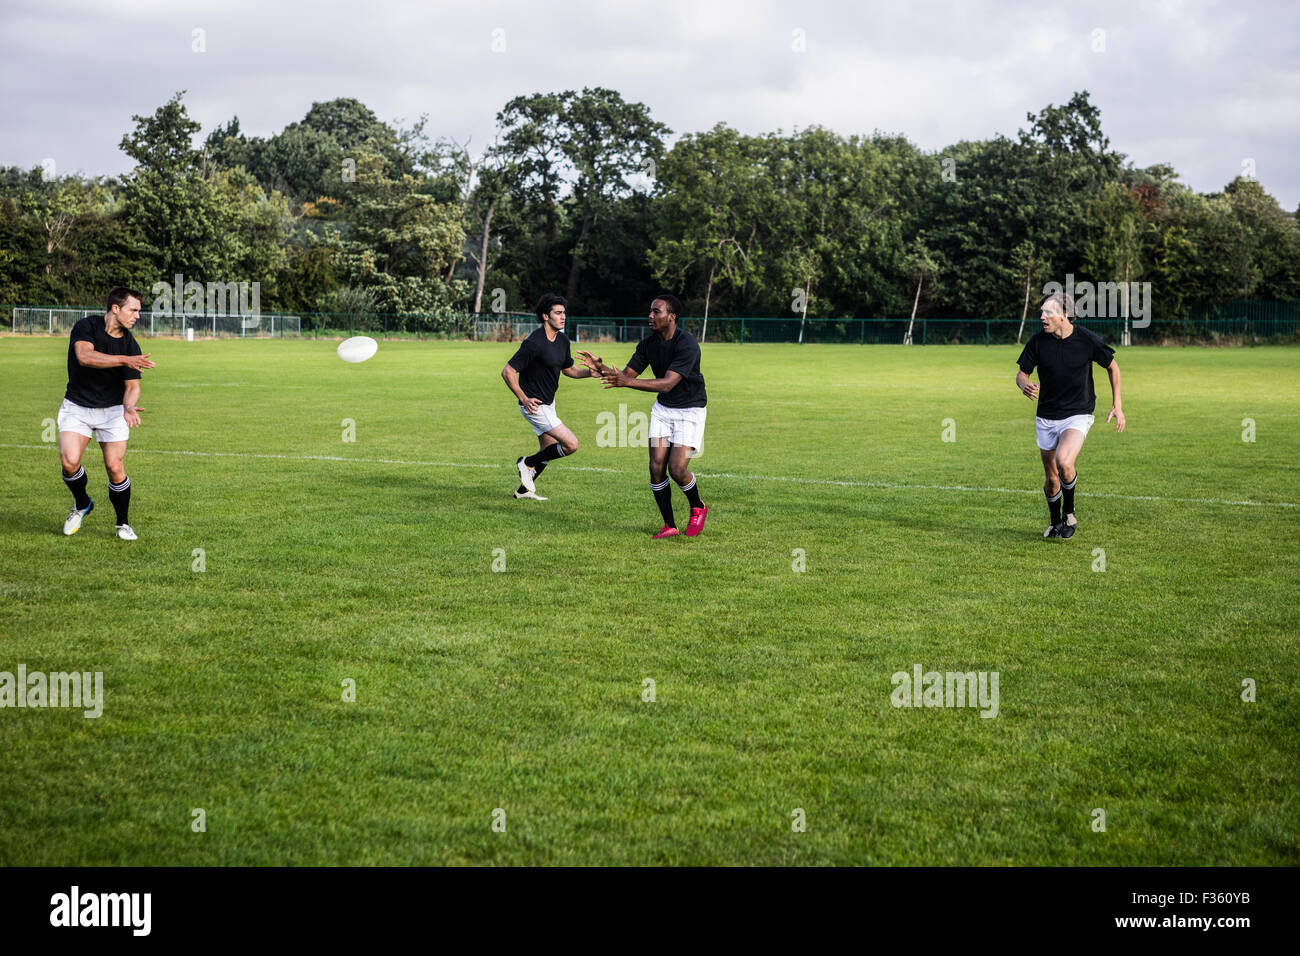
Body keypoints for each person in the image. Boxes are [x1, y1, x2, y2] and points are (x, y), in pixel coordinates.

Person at [584, 294, 708, 538]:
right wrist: (601, 368)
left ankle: (698, 506)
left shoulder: (687, 344)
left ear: (672, 317)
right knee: (656, 467)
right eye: (650, 311)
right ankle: (670, 525)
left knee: (677, 469)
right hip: (663, 410)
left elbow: (668, 383)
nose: (650, 316)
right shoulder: (648, 344)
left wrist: (626, 381)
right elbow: (626, 373)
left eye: (656, 312)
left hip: (690, 410)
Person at [1016, 291, 1125, 539]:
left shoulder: (1085, 339)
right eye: (1042, 312)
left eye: (1048, 312)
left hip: (1078, 413)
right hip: (1046, 416)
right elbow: (1022, 373)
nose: (1042, 317)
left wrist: (1117, 405)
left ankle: (1070, 512)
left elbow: (1112, 366)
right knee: (1051, 478)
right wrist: (1024, 385)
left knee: (1064, 462)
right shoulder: (1037, 342)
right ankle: (1055, 523)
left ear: (1064, 314)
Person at [57, 286, 155, 539]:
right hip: (77, 406)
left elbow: (133, 386)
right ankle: (82, 504)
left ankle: (122, 523)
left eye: (138, 311)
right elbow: (84, 356)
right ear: (115, 308)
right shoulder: (86, 326)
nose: (137, 316)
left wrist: (129, 405)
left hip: (113, 410)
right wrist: (124, 360)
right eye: (133, 310)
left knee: (114, 467)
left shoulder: (130, 344)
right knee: (69, 462)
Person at [501, 293, 598, 500]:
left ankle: (524, 491)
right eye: (558, 313)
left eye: (564, 313)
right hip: (535, 405)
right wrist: (524, 398)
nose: (563, 317)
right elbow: (508, 371)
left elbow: (569, 369)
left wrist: (590, 372)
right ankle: (526, 463)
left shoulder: (562, 339)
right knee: (571, 444)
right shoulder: (534, 342)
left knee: (547, 449)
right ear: (545, 316)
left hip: (549, 403)